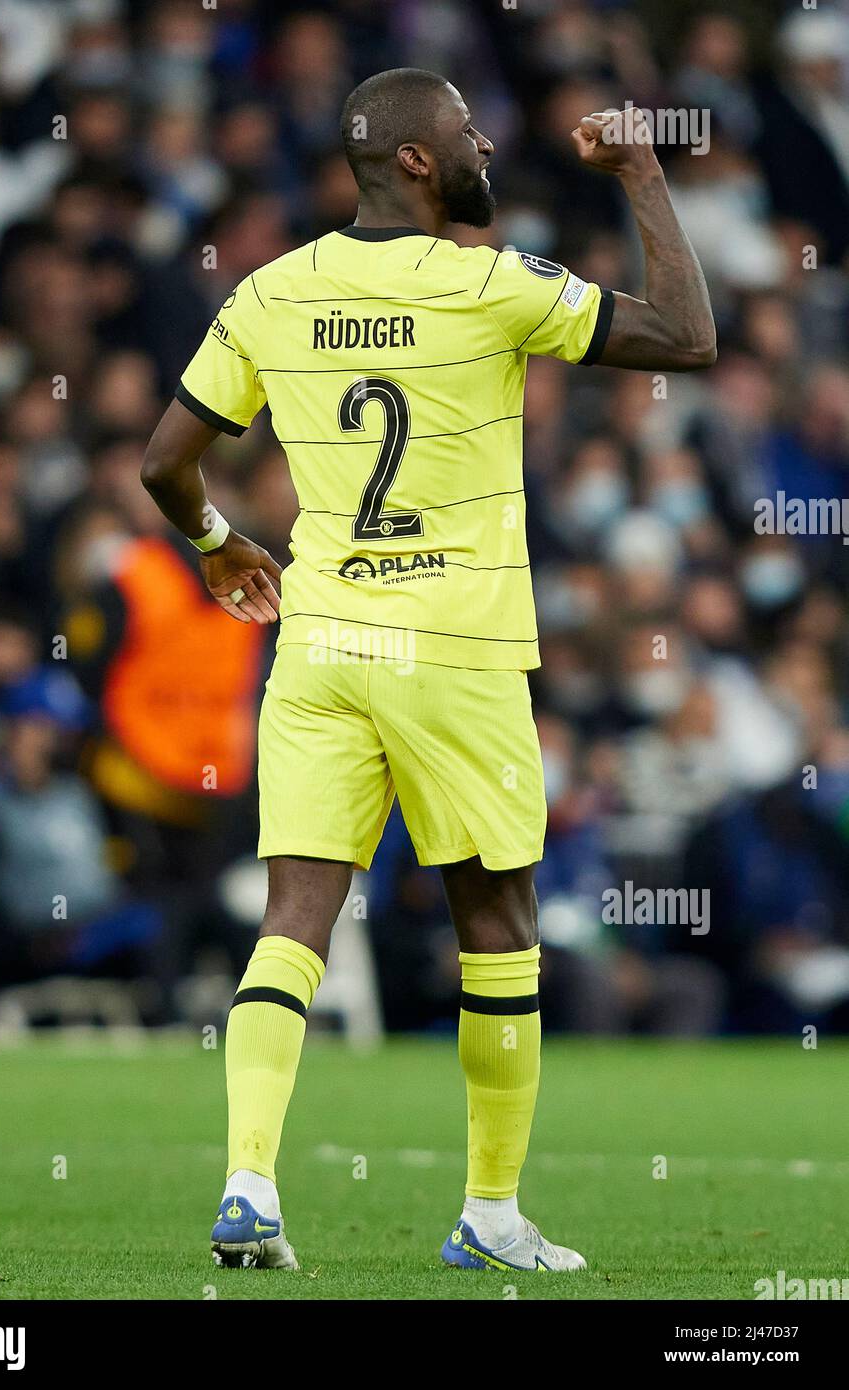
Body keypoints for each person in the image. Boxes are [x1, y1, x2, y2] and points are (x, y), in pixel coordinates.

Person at [141, 69, 715, 1275]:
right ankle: (491, 1212)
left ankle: (249, 1184)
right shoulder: (490, 284)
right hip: (454, 649)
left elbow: (162, 462)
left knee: (294, 917)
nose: (484, 144)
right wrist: (645, 175)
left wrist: (214, 545)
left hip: (321, 644)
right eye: (465, 132)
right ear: (415, 161)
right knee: (497, 922)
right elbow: (688, 336)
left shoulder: (272, 291)